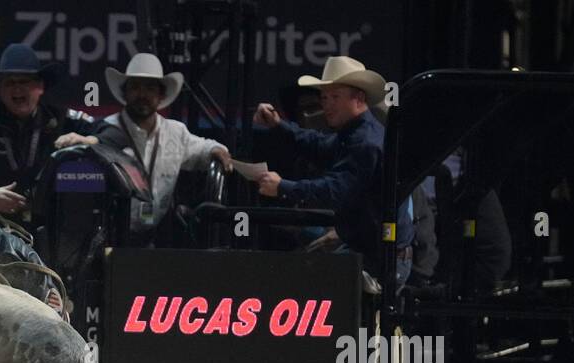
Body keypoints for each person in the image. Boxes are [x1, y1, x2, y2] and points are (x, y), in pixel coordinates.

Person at [254, 56, 413, 284]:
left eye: (335, 97)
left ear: (358, 99)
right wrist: (278, 124)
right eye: (324, 97)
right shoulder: (353, 134)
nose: (326, 104)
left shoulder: (365, 141)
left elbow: (336, 189)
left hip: (382, 261)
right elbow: (318, 144)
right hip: (369, 251)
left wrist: (283, 187)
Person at [60, 53, 230, 243]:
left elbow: (205, 149)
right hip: (112, 235)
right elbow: (97, 143)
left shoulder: (176, 132)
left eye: (150, 87)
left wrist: (217, 150)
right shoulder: (107, 128)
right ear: (125, 92)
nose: (142, 94)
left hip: (159, 238)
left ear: (161, 95)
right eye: (135, 87)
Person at [0, 43, 95, 225]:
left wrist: (88, 139)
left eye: (24, 81)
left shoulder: (62, 118)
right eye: (9, 82)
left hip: (54, 227)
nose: (17, 89)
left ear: (40, 86)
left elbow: (113, 134)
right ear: (0, 89)